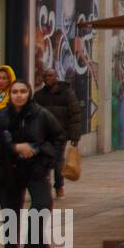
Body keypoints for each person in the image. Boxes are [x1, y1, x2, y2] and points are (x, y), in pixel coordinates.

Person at [0, 79, 64, 248]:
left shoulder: (41, 114)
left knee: (42, 205)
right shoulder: (1, 117)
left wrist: (40, 153)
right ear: (10, 94)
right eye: (15, 92)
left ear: (29, 93)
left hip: (36, 169)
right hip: (10, 170)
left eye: (23, 91)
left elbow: (58, 138)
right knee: (10, 215)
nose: (19, 95)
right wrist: (15, 148)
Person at [34, 67, 81, 198]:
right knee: (44, 159)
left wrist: (75, 135)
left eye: (50, 76)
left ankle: (59, 186)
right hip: (44, 134)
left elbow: (75, 114)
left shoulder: (67, 93)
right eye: (45, 76)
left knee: (58, 160)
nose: (47, 79)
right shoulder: (38, 96)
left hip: (61, 133)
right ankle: (45, 185)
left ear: (56, 77)